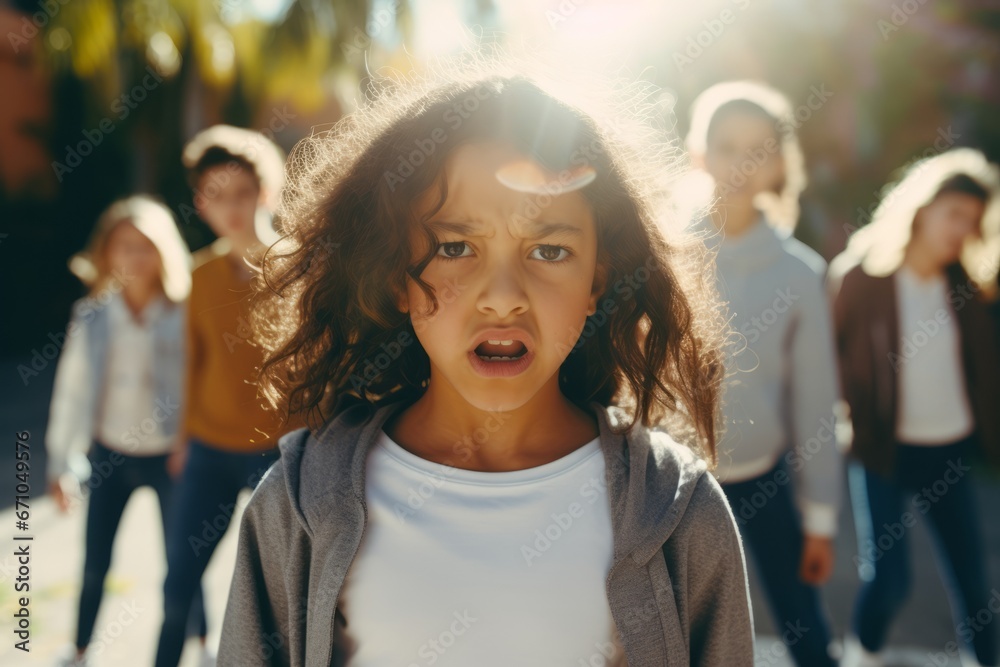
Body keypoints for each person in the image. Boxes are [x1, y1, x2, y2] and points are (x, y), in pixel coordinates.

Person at [215, 70, 754, 666]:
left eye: (550, 251)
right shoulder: (298, 505)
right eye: (453, 248)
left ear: (597, 282)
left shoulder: (681, 513)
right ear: (396, 279)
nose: (502, 296)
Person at [685, 81, 842, 667]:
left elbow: (816, 403)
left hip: (765, 481)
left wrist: (820, 518)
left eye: (759, 148)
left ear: (778, 160)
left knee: (809, 637)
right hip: (674, 487)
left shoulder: (801, 274)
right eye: (727, 145)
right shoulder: (659, 254)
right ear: (698, 154)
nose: (742, 163)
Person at [830, 148, 1000, 667]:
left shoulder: (967, 287)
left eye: (972, 221)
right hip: (884, 450)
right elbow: (830, 358)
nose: (960, 229)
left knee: (975, 581)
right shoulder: (862, 278)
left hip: (950, 448)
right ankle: (865, 655)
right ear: (922, 208)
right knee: (890, 577)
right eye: (953, 214)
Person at [44, 196, 207, 667]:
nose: (135, 258)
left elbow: (202, 382)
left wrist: (190, 443)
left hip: (171, 457)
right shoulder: (92, 316)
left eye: (146, 247)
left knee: (184, 561)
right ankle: (78, 649)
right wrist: (62, 462)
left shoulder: (186, 311)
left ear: (165, 252)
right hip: (109, 455)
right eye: (124, 247)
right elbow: (71, 394)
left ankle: (201, 645)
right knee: (95, 561)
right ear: (106, 253)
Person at [153, 126, 292, 667]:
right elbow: (191, 363)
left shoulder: (301, 266)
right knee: (177, 584)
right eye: (216, 195)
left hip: (281, 454)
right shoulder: (198, 275)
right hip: (207, 449)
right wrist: (182, 437)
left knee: (276, 595)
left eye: (242, 193)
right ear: (200, 204)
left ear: (267, 192)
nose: (231, 209)